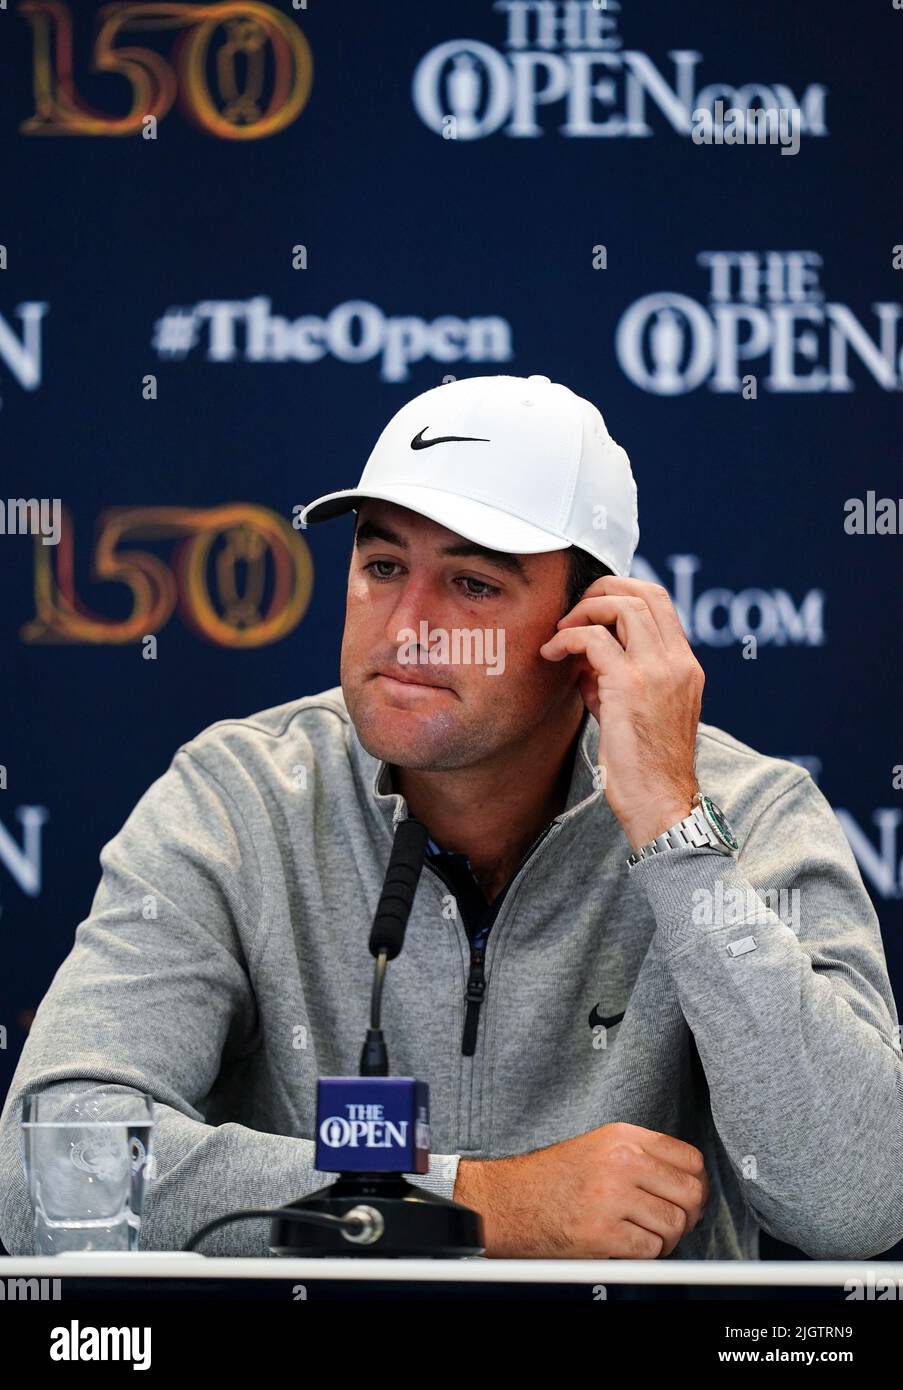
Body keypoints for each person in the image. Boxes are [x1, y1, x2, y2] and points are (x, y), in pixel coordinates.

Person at [1, 374, 901, 1261]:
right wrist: (476, 1201)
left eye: (471, 584)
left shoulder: (745, 814)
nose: (407, 627)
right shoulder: (237, 799)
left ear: (590, 626)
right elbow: (47, 1165)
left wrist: (673, 832)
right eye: (383, 567)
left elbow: (861, 1202)